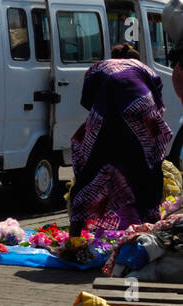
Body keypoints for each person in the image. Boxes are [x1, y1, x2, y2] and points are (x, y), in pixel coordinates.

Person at [69, 51, 174, 235]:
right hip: (140, 108)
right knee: (147, 167)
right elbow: (158, 101)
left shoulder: (98, 67)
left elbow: (86, 101)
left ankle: (76, 232)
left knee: (91, 166)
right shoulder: (143, 68)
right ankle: (151, 222)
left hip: (106, 112)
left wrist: (107, 121)